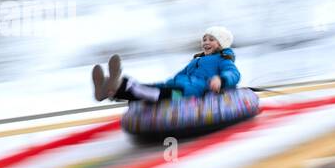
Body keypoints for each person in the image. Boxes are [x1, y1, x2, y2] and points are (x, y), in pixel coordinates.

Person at [92, 27, 240, 103]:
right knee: (150, 89)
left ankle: (119, 83)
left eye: (211, 39)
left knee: (149, 93)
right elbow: (180, 75)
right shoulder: (196, 61)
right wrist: (170, 82)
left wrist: (221, 80)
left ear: (221, 43)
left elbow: (233, 74)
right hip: (176, 86)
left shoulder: (223, 59)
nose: (206, 42)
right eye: (204, 39)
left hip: (185, 93)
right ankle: (108, 89)